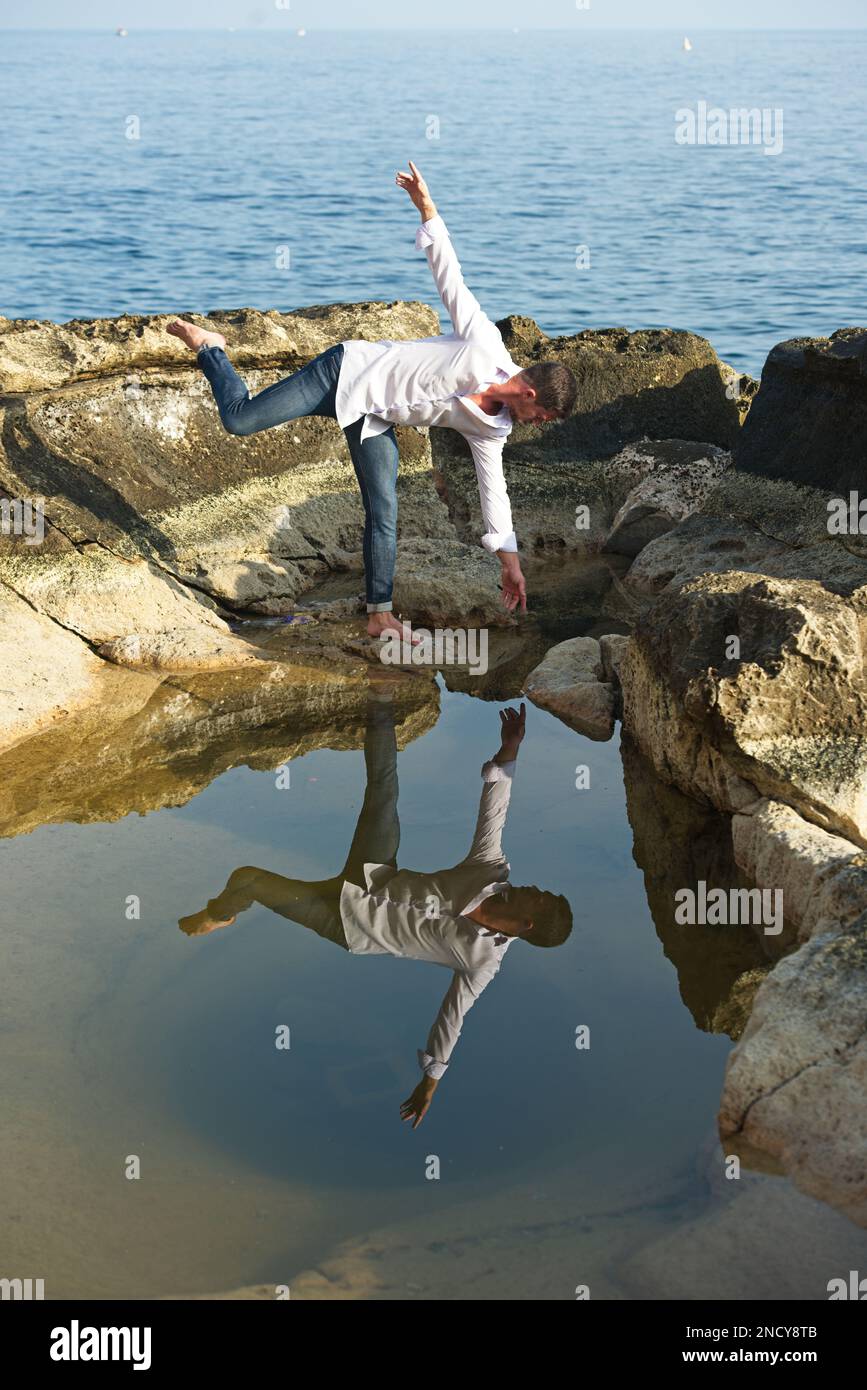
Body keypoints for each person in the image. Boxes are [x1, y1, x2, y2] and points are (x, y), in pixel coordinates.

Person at [167, 162, 578, 642]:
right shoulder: (482, 345)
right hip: (343, 374)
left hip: (373, 417)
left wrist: (511, 565)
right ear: (530, 393)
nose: (535, 423)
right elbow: (451, 279)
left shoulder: (494, 427)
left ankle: (380, 614)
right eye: (541, 416)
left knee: (384, 509)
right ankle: (211, 347)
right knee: (239, 421)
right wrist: (427, 209)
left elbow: (495, 493)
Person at [179, 694, 572, 1129]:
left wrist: (430, 1083)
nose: (535, 887)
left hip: (347, 925)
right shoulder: (492, 869)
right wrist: (510, 750)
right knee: (384, 788)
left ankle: (220, 914)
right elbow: (494, 814)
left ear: (529, 923)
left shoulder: (483, 961)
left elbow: (451, 1020)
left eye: (541, 895)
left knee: (248, 878)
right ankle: (380, 690)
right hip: (374, 872)